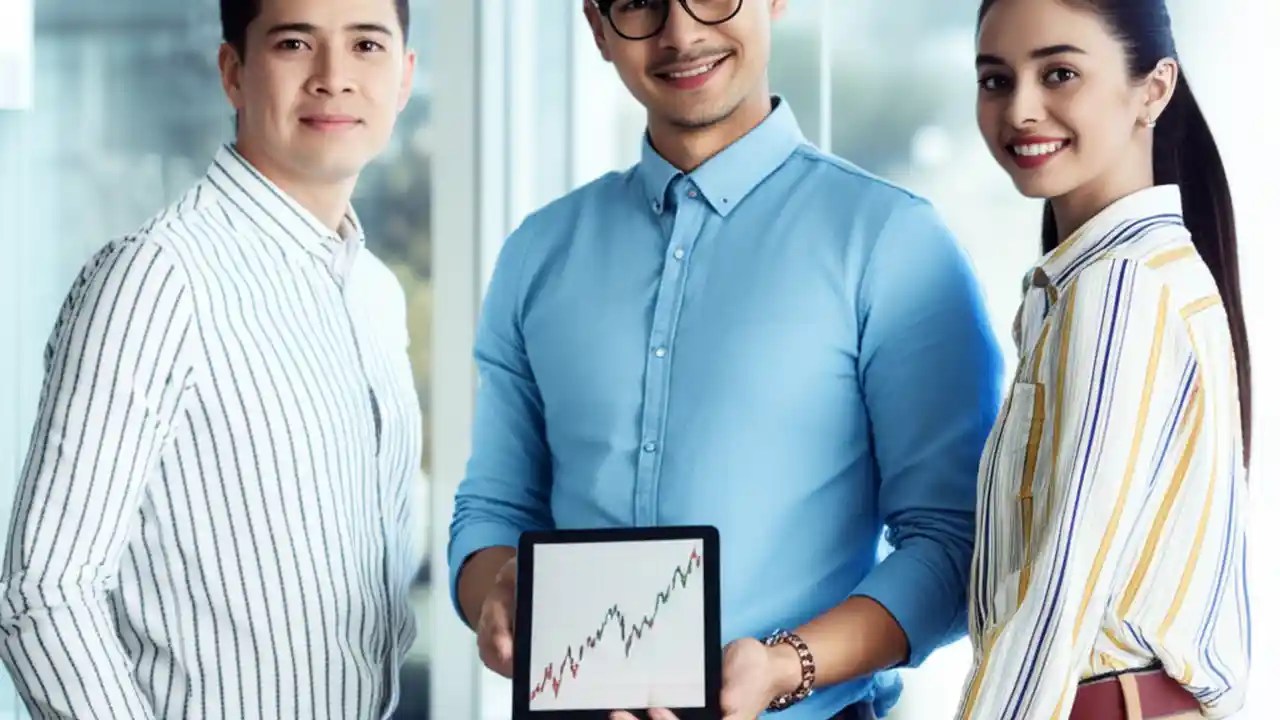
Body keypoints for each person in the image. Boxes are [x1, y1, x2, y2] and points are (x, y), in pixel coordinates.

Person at [448, 1, 1004, 718]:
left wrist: (787, 665)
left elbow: (954, 544)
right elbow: (494, 511)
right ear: (596, 25)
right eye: (639, 3)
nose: (681, 34)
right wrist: (496, 596)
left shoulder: (893, 242)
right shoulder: (537, 253)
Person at [0, 0, 422, 717]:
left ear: (405, 76)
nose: (334, 77)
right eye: (295, 44)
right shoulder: (159, 278)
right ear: (233, 71)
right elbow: (44, 592)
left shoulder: (375, 293)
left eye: (366, 46)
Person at [958, 0, 1251, 718]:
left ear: (1154, 88)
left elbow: (1058, 590)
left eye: (1059, 73)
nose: (1021, 109)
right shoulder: (1143, 275)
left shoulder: (1119, 287)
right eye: (996, 81)